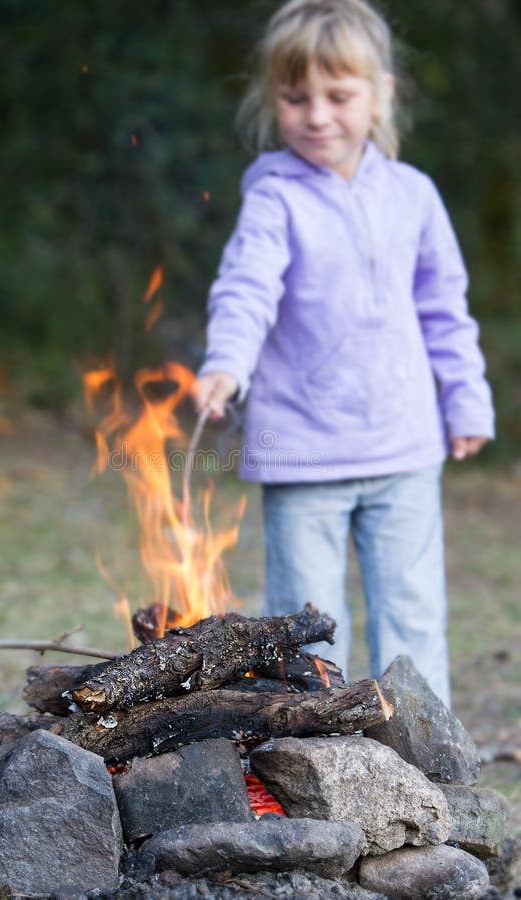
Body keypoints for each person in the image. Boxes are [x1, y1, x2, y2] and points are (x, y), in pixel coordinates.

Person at [195, 0, 495, 707]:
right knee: (306, 628)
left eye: (339, 96)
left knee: (413, 616)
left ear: (381, 92)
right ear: (274, 101)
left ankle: (423, 761)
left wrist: (467, 397)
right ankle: (315, 765)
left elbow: (444, 310)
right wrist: (226, 363)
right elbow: (245, 288)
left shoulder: (415, 197)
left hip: (403, 449)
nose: (318, 116)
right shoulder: (275, 199)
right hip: (303, 453)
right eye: (297, 98)